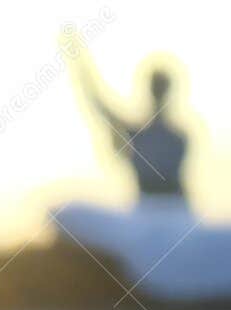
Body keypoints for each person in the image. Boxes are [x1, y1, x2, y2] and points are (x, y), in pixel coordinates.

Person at [74, 53, 188, 202]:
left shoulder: (177, 138)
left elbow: (103, 109)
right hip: (153, 209)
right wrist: (80, 63)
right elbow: (102, 107)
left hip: (172, 210)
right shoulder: (173, 137)